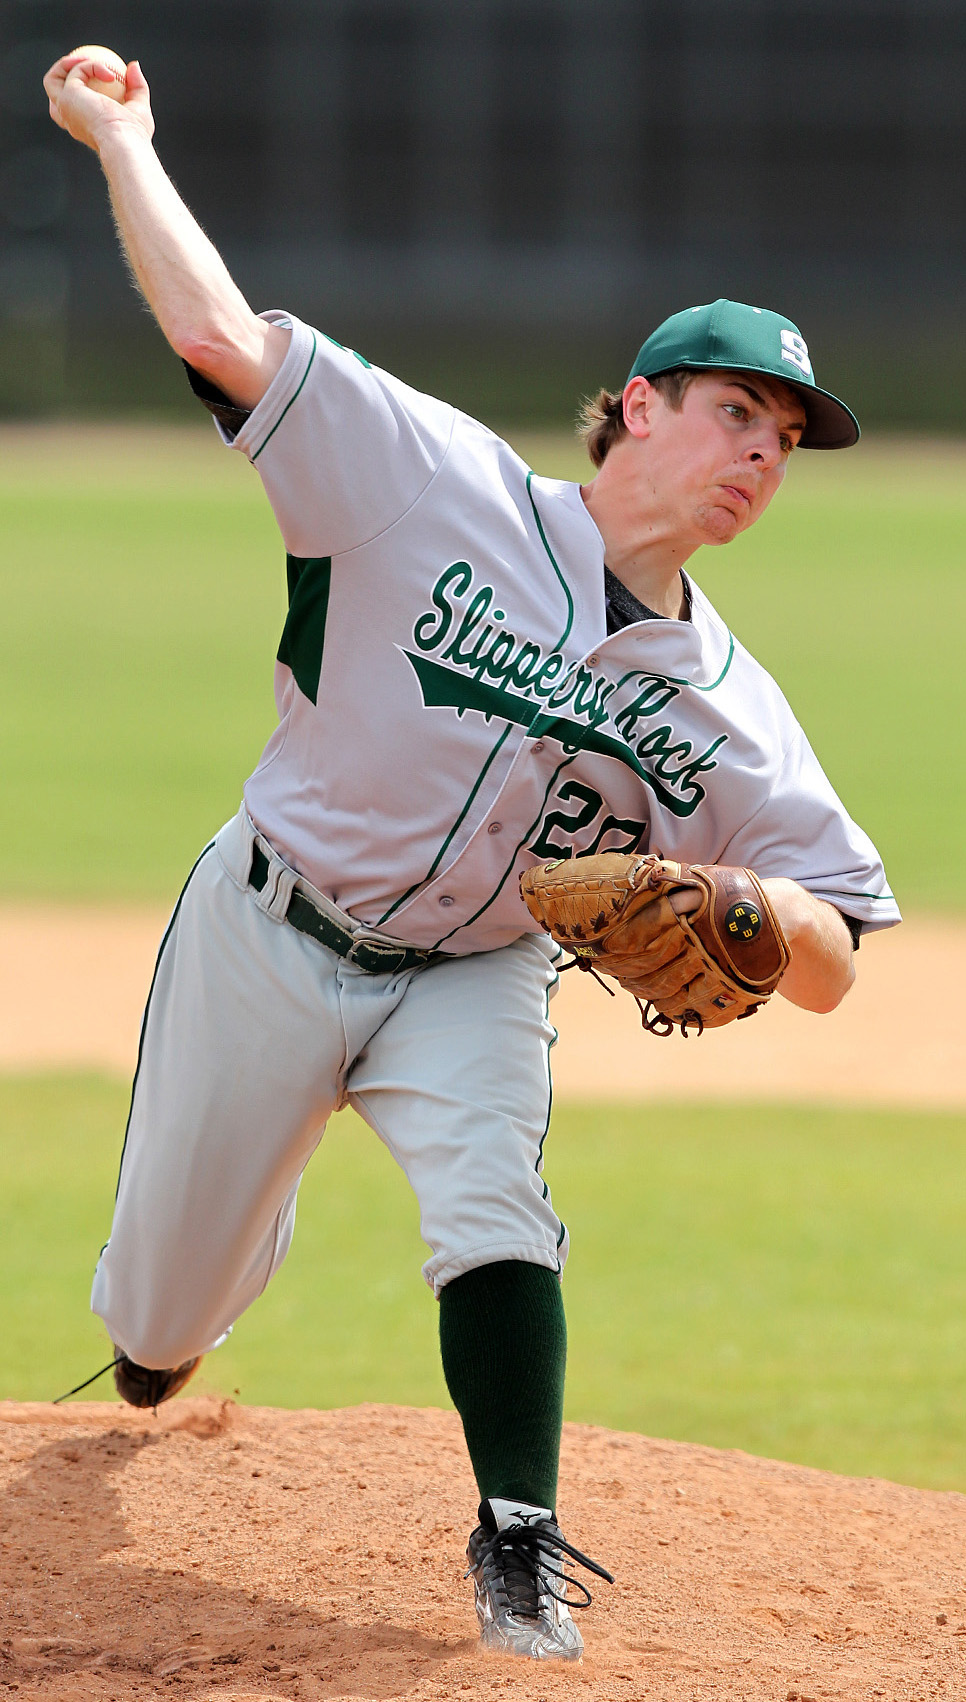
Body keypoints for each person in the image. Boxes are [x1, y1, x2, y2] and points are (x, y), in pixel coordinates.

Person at [44, 49, 900, 1663]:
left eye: (784, 440)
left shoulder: (730, 709)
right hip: (269, 921)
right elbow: (218, 332)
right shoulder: (426, 476)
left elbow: (838, 952)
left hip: (474, 972)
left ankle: (516, 1540)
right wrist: (127, 137)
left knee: (494, 1199)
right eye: (737, 413)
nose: (760, 455)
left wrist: (756, 904)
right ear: (637, 405)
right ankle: (190, 1305)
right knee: (158, 1313)